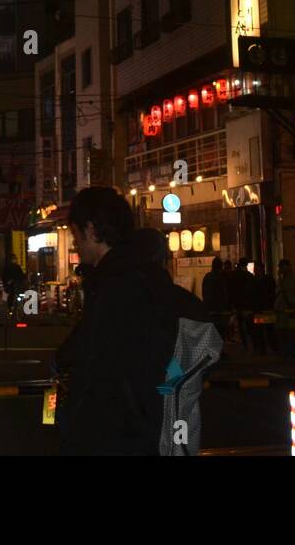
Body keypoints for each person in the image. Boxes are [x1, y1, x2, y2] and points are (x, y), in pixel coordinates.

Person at [57, 187, 175, 455]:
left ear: (90, 230)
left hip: (119, 435)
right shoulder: (144, 275)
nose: (75, 244)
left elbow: (99, 368)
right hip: (150, 428)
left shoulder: (114, 284)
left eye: (76, 235)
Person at [200, 255, 228, 338]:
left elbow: (204, 292)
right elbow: (225, 292)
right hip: (221, 310)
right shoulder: (222, 277)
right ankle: (221, 349)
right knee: (221, 332)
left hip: (210, 309)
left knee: (214, 332)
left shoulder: (207, 276)